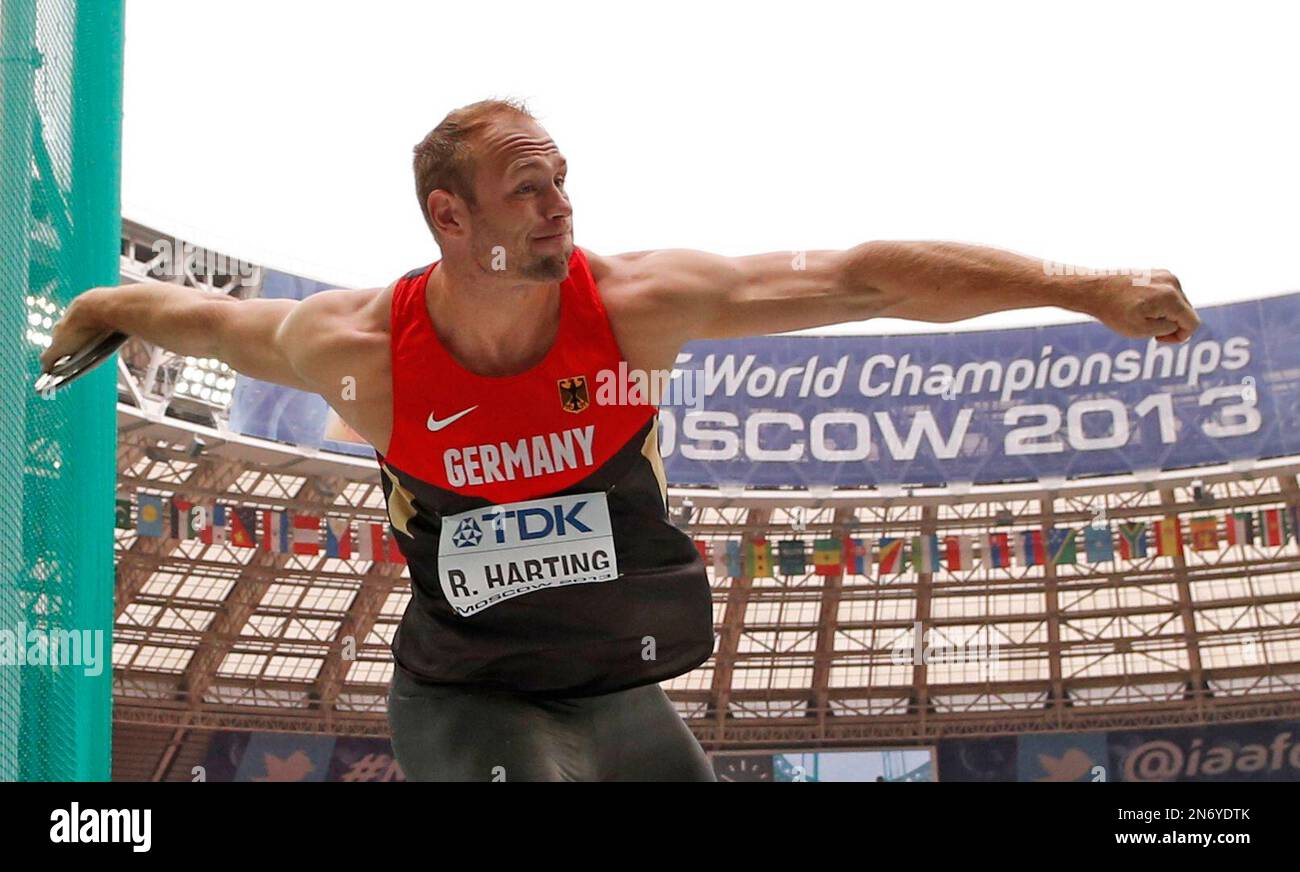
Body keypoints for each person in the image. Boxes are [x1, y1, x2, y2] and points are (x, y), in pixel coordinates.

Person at [41, 98, 1200, 781]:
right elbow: (201, 319)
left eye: (561, 181)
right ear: (451, 217)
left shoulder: (636, 305)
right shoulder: (358, 348)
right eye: (528, 188)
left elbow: (862, 277)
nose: (561, 205)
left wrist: (1080, 283)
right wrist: (107, 304)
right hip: (465, 688)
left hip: (617, 687)